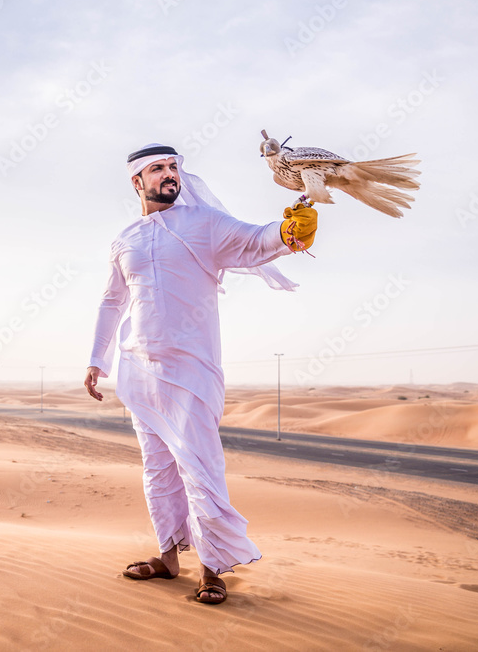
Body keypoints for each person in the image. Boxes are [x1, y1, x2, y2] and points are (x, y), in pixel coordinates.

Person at [84, 143, 317, 605]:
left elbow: (256, 239)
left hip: (192, 368)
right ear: (138, 182)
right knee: (157, 469)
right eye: (158, 169)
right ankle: (169, 559)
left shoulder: (204, 224)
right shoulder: (125, 238)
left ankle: (212, 569)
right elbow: (112, 301)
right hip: (138, 369)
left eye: (174, 167)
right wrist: (97, 359)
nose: (169, 174)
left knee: (200, 468)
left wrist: (291, 229)